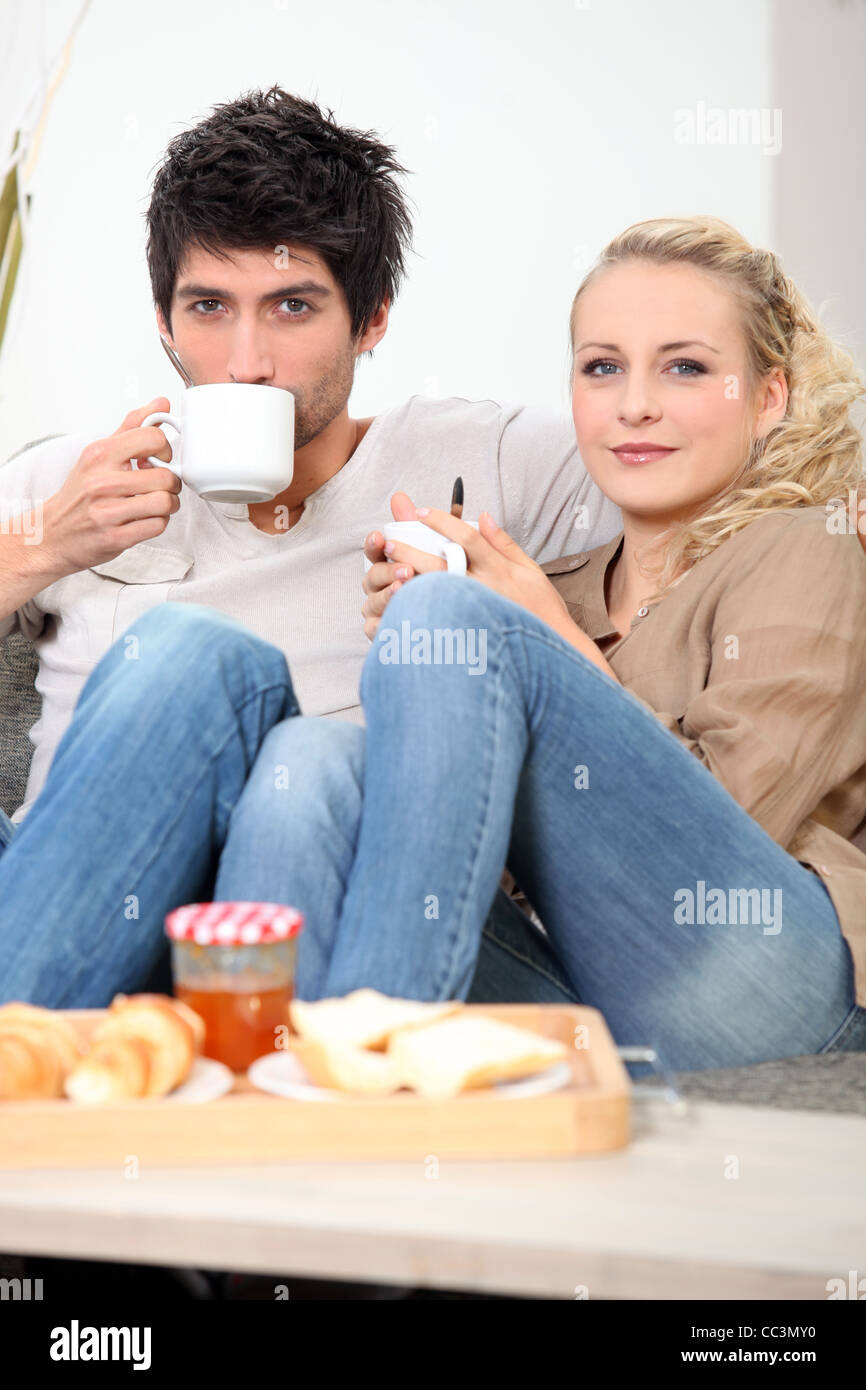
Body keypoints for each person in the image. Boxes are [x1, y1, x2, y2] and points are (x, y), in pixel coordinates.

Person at [203, 215, 866, 1071]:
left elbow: (727, 831)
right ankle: (270, 1093)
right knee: (315, 761)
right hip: (587, 990)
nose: (635, 404)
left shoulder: (803, 544)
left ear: (768, 398)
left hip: (759, 977)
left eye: (686, 368)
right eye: (602, 368)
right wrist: (427, 653)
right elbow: (469, 849)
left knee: (447, 623)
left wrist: (523, 633)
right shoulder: (553, 581)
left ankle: (365, 1065)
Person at [0, 87, 620, 1002]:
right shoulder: (71, 482)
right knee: (185, 661)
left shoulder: (487, 460)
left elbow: (739, 468)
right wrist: (42, 547)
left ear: (370, 319)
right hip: (76, 915)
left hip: (310, 923)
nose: (246, 360)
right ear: (165, 323)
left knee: (245, 710)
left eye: (292, 307)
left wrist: (502, 600)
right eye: (208, 307)